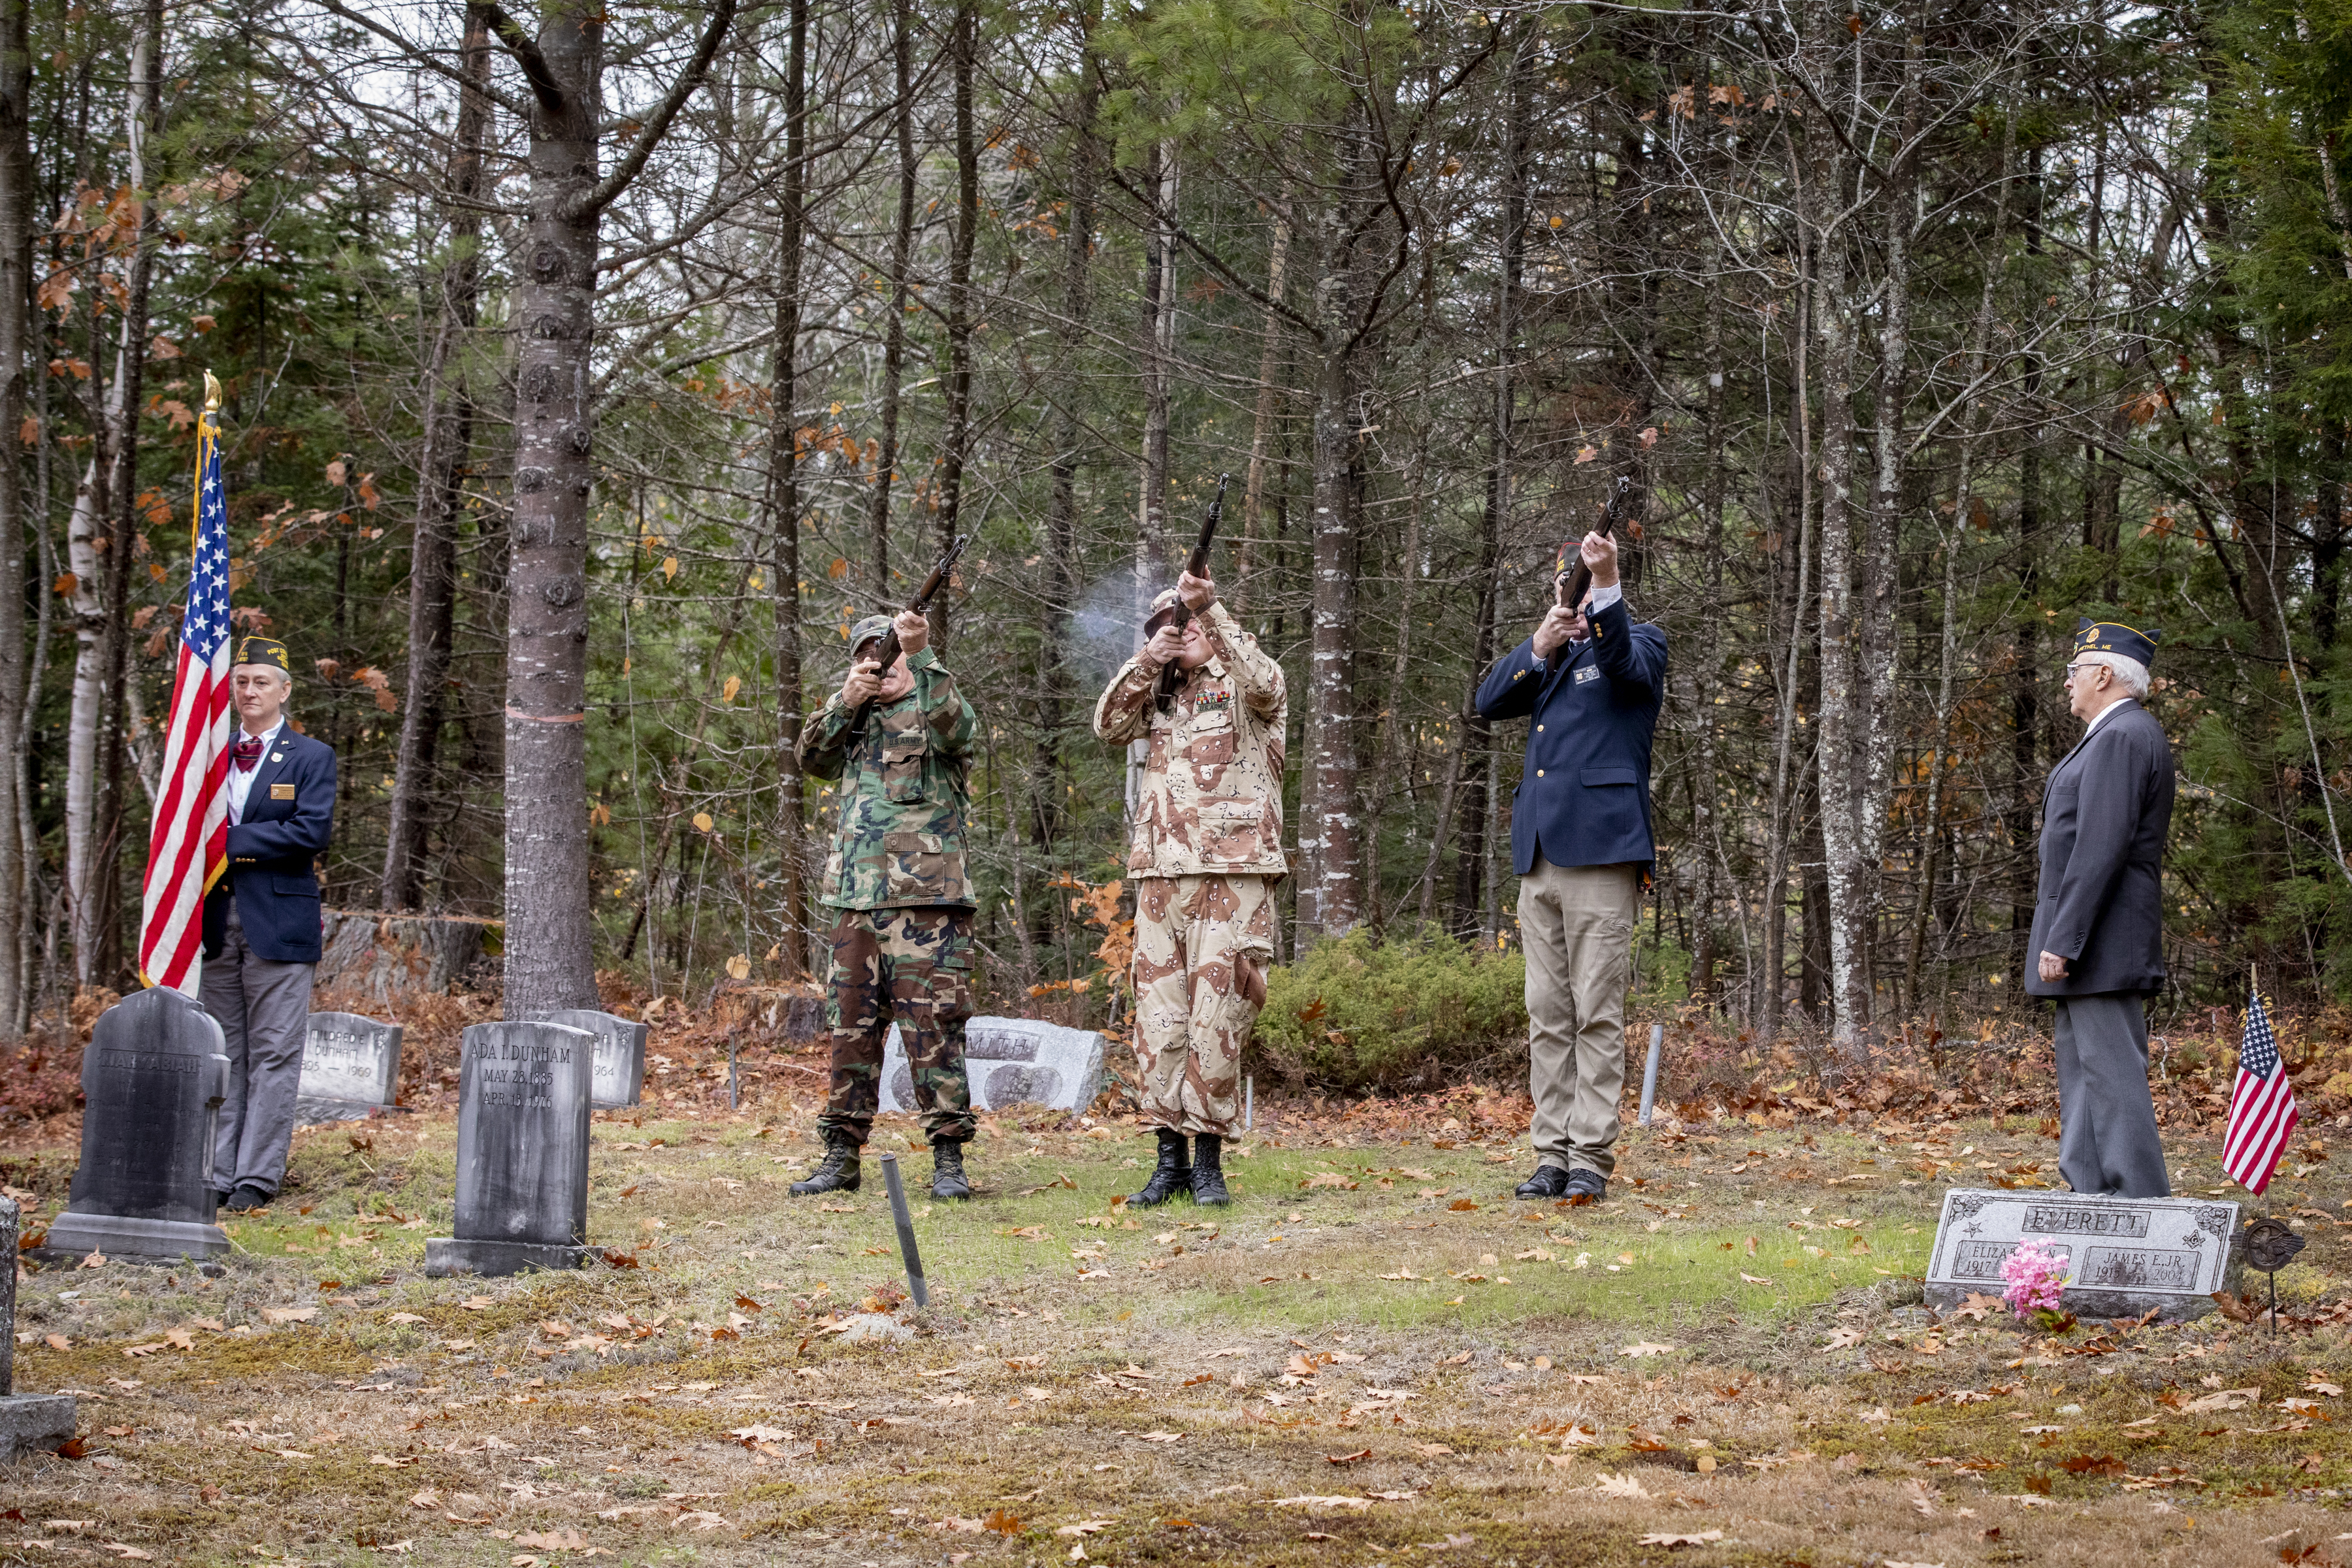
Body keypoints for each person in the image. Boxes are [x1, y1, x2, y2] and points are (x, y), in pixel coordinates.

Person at [1475, 528, 1666, 1203]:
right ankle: (1549, 1156)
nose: (1577, 602)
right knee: (1548, 1015)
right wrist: (1538, 644)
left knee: (1597, 1015)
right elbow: (1488, 701)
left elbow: (1622, 664)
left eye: (1584, 592)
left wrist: (1605, 584)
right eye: (1569, 589)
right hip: (1540, 857)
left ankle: (1589, 1158)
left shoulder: (1639, 643)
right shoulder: (1550, 659)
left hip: (1602, 852)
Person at [1092, 569, 1286, 1206]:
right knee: (1160, 1023)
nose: (1185, 631)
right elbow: (1107, 725)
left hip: (1235, 874)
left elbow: (1265, 685)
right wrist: (1151, 658)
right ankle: (1169, 1161)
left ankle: (1208, 1162)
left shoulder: (1248, 680)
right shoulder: (1158, 691)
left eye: (1190, 620)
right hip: (1160, 877)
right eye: (1172, 626)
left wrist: (1213, 609)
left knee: (1218, 1019)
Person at [790, 610, 981, 1201]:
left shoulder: (933, 704)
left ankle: (948, 1159)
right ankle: (841, 1156)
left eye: (893, 652)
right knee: (850, 1030)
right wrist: (844, 702)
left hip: (928, 904)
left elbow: (961, 732)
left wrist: (922, 654)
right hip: (855, 902)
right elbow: (811, 760)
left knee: (934, 1032)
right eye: (871, 655)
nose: (884, 663)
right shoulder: (849, 718)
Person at [2025, 619, 2176, 1198]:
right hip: (2095, 941)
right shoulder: (2113, 735)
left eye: (2075, 671)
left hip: (2103, 941)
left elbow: (2101, 847)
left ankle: (2140, 1207)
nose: (2067, 682)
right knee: (2085, 1078)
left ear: (2105, 674)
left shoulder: (2123, 735)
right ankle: (2090, 1200)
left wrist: (2064, 938)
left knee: (2112, 1080)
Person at [200, 636, 336, 1213]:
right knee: (223, 1054)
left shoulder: (311, 757)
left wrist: (227, 843)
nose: (249, 691)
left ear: (284, 691)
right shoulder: (207, 753)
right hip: (213, 921)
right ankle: (215, 1173)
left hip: (279, 921)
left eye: (261, 682)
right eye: (241, 682)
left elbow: (310, 832)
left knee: (274, 1052)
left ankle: (255, 1176)